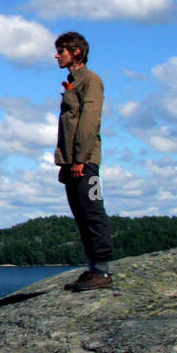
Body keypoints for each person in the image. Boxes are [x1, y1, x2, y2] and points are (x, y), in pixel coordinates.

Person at [53, 32, 114, 291]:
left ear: (76, 52)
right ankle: (92, 269)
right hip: (72, 163)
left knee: (93, 212)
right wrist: (65, 164)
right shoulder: (73, 82)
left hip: (85, 163)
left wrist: (79, 160)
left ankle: (102, 271)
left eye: (61, 50)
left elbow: (89, 122)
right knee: (81, 215)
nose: (57, 55)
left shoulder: (91, 81)